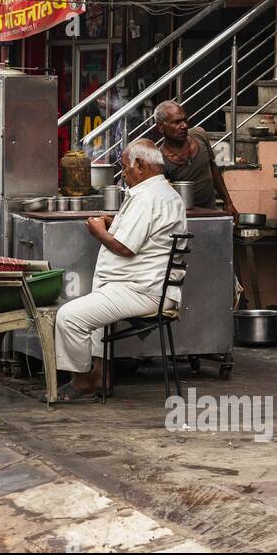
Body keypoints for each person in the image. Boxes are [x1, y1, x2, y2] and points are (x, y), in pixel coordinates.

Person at [53, 139, 187, 400]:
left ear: (140, 165)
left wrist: (98, 231)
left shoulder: (147, 197)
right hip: (150, 287)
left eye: (125, 167)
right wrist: (117, 222)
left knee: (68, 317)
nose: (123, 174)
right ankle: (101, 375)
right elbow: (146, 233)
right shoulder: (167, 194)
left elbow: (126, 247)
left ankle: (83, 383)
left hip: (142, 291)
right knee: (97, 299)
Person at [152, 100, 237, 216]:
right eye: (177, 122)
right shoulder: (160, 160)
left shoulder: (199, 135)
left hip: (210, 213)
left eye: (184, 120)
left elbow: (213, 169)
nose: (184, 126)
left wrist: (228, 202)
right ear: (161, 127)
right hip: (182, 219)